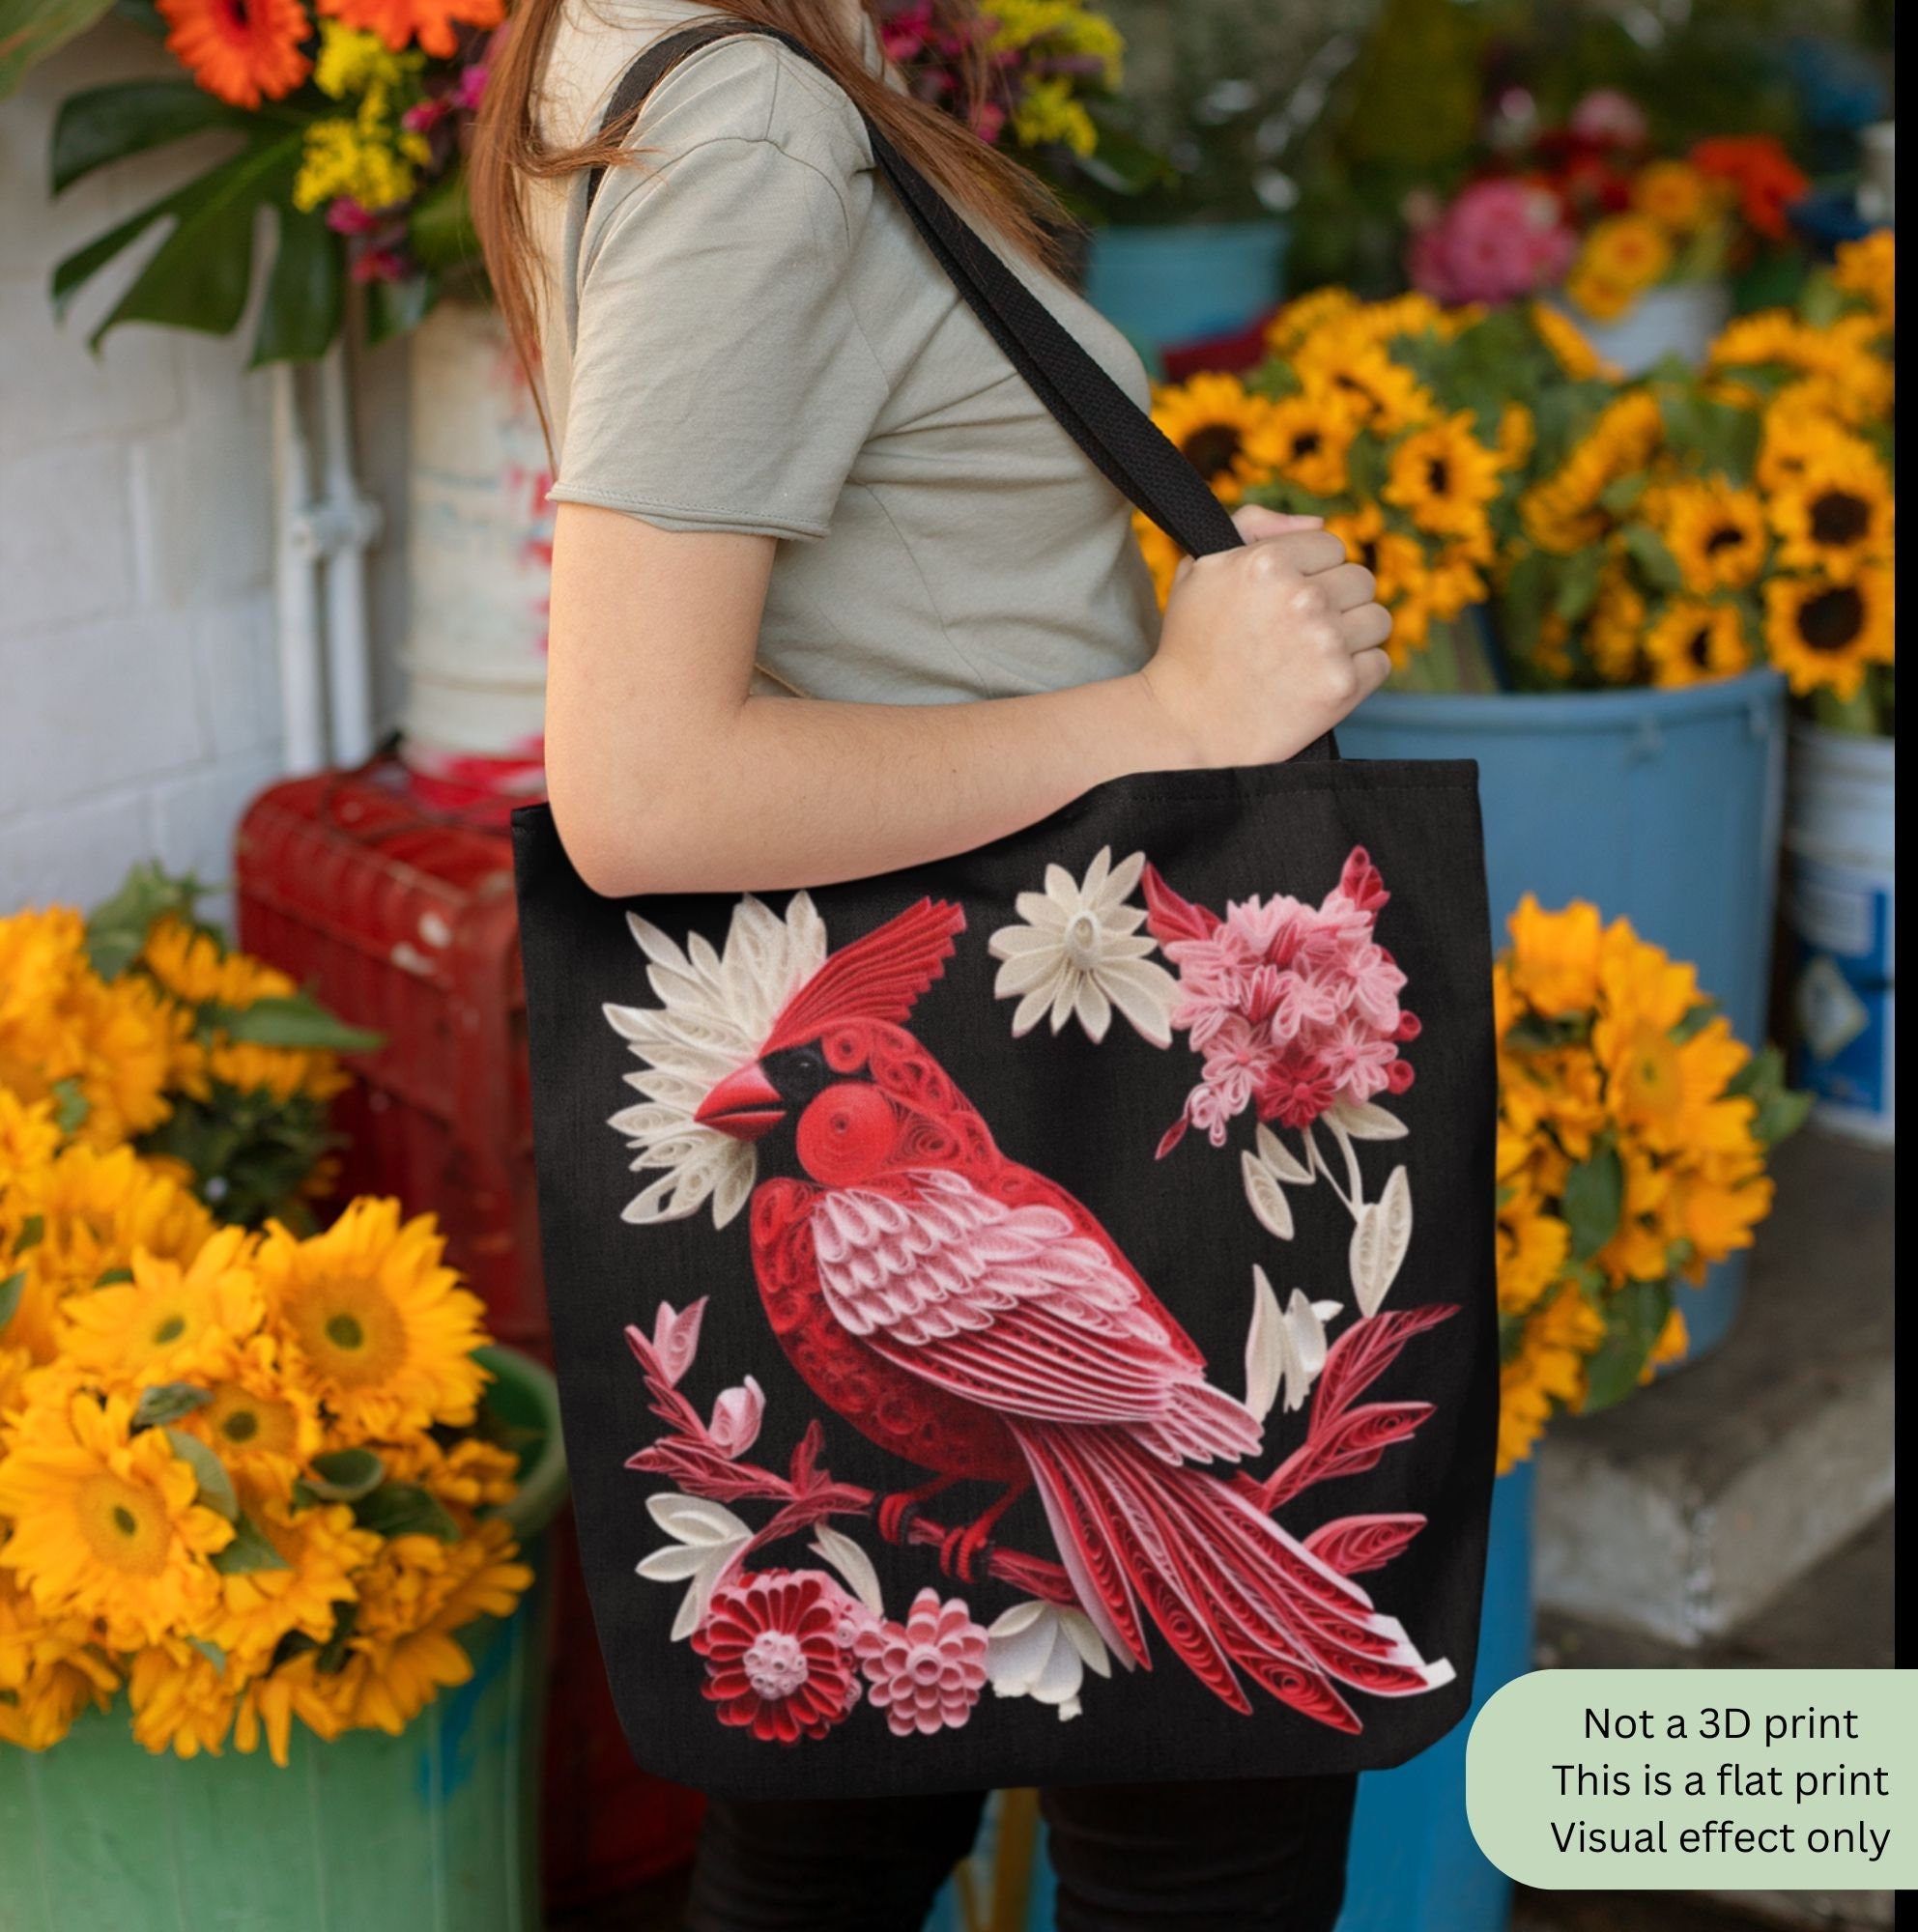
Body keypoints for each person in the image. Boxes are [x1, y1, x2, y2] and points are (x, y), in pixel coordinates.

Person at [474, 4, 1392, 1926]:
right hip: (1077, 1076)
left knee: (836, 1831)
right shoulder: (745, 119)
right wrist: (1169, 705)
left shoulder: (665, 63)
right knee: (1189, 1837)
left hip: (1015, 1081)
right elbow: (639, 789)